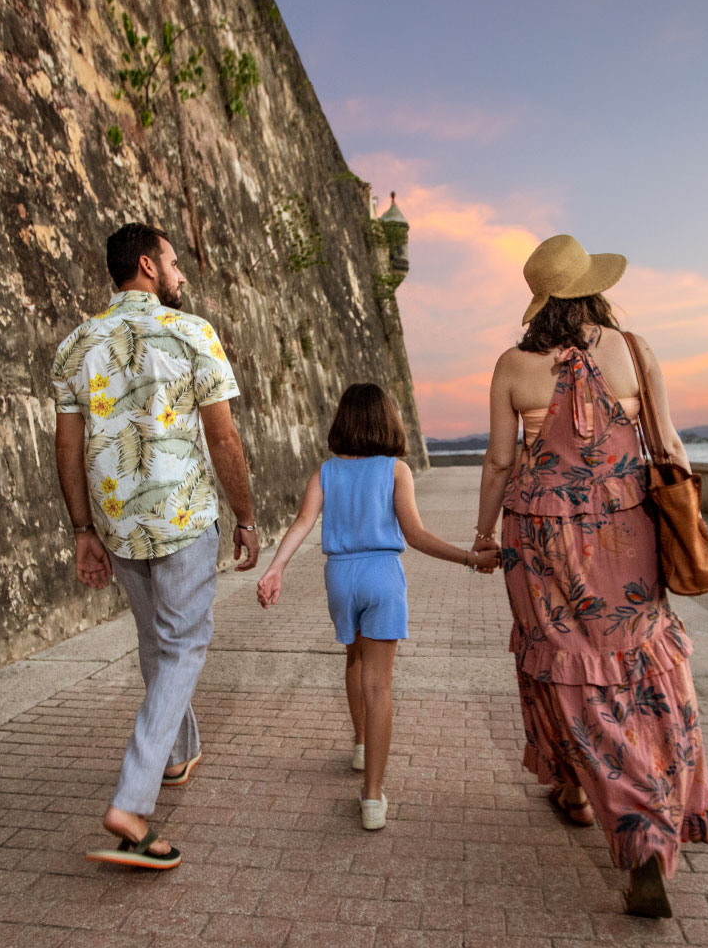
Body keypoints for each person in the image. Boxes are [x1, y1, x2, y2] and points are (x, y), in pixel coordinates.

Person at [472, 234, 708, 917]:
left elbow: (499, 463)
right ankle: (639, 802)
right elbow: (669, 445)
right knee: (644, 662)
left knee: (566, 669)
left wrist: (481, 534)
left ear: (539, 301)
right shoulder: (634, 349)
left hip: (540, 539)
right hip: (627, 531)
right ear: (592, 289)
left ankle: (611, 806)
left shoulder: (512, 365)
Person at [51, 222, 259, 870]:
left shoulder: (76, 345)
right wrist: (247, 514)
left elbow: (67, 445)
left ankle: (176, 752)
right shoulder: (191, 332)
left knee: (156, 642)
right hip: (182, 515)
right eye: (174, 263)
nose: (181, 275)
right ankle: (131, 802)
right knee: (186, 644)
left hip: (118, 522)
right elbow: (223, 439)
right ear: (147, 265)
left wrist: (83, 530)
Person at [256, 383, 498, 830]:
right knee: (379, 685)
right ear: (386, 420)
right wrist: (470, 558)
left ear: (343, 420)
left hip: (339, 577)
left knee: (353, 657)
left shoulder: (325, 472)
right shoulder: (395, 470)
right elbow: (416, 535)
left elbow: (303, 523)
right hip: (382, 575)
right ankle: (371, 797)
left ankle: (361, 744)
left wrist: (276, 570)